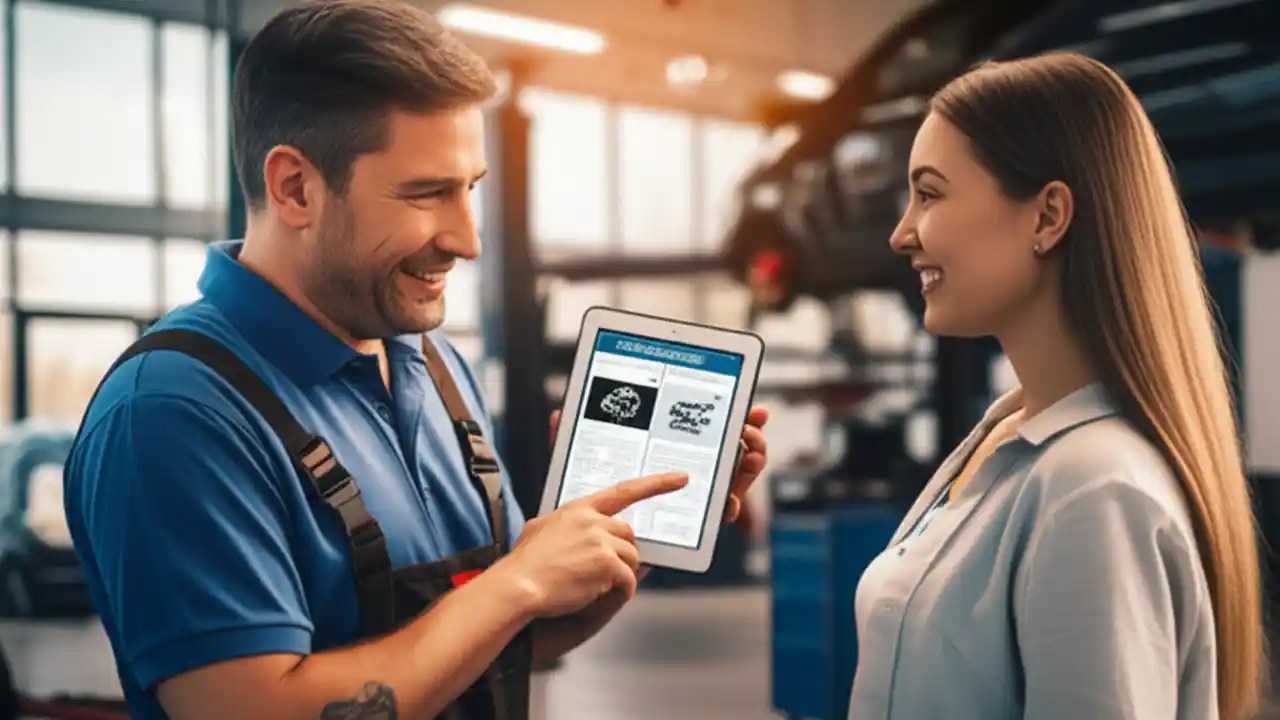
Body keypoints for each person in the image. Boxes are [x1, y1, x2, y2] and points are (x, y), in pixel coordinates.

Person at [62, 2, 769, 719]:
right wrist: (517, 582)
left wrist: (613, 545)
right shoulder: (175, 413)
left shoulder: (434, 369)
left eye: (470, 189)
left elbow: (477, 645)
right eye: (427, 193)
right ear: (295, 188)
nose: (468, 240)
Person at [848, 52, 1262, 720]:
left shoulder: (1095, 490)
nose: (903, 233)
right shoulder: (1008, 438)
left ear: (1047, 217)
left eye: (928, 193)